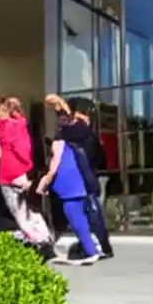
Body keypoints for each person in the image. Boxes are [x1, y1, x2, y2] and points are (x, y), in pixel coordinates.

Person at [0, 97, 54, 258]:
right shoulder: (21, 127)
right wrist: (27, 169)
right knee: (28, 210)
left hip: (8, 175)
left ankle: (39, 243)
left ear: (5, 111)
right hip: (19, 175)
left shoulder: (3, 130)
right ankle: (44, 239)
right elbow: (23, 150)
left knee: (20, 213)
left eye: (0, 109)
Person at [46, 93, 114, 259]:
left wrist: (63, 106)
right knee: (85, 217)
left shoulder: (81, 132)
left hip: (86, 182)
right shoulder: (76, 132)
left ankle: (101, 247)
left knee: (92, 216)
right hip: (82, 182)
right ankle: (95, 246)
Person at [37, 137, 101, 266]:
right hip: (76, 190)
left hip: (70, 192)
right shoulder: (73, 149)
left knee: (78, 222)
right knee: (80, 222)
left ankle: (90, 251)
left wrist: (44, 182)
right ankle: (90, 249)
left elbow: (54, 168)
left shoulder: (59, 144)